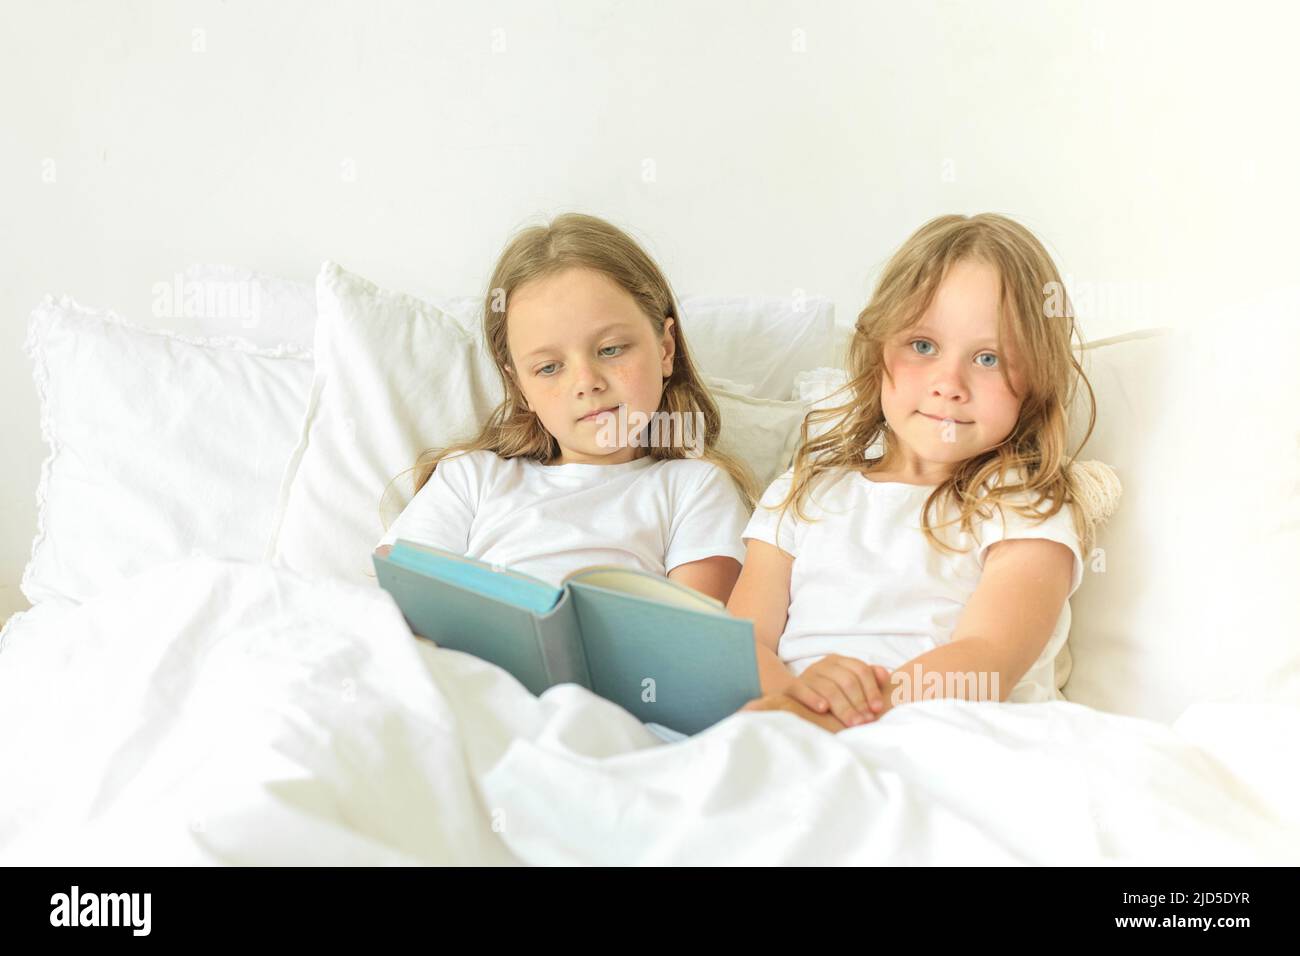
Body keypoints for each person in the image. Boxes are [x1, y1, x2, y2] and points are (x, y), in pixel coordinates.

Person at [729, 213, 1105, 733]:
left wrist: (847, 713)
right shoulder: (804, 489)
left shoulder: (1025, 505)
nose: (948, 383)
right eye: (923, 346)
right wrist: (794, 700)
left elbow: (988, 658)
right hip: (798, 725)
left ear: (1037, 379)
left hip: (949, 737)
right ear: (879, 348)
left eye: (989, 357)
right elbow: (743, 643)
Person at [374, 212, 758, 606]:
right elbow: (395, 595)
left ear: (665, 349)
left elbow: (694, 637)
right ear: (520, 386)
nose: (586, 381)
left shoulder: (694, 487)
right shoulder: (470, 478)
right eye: (549, 368)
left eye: (610, 349)